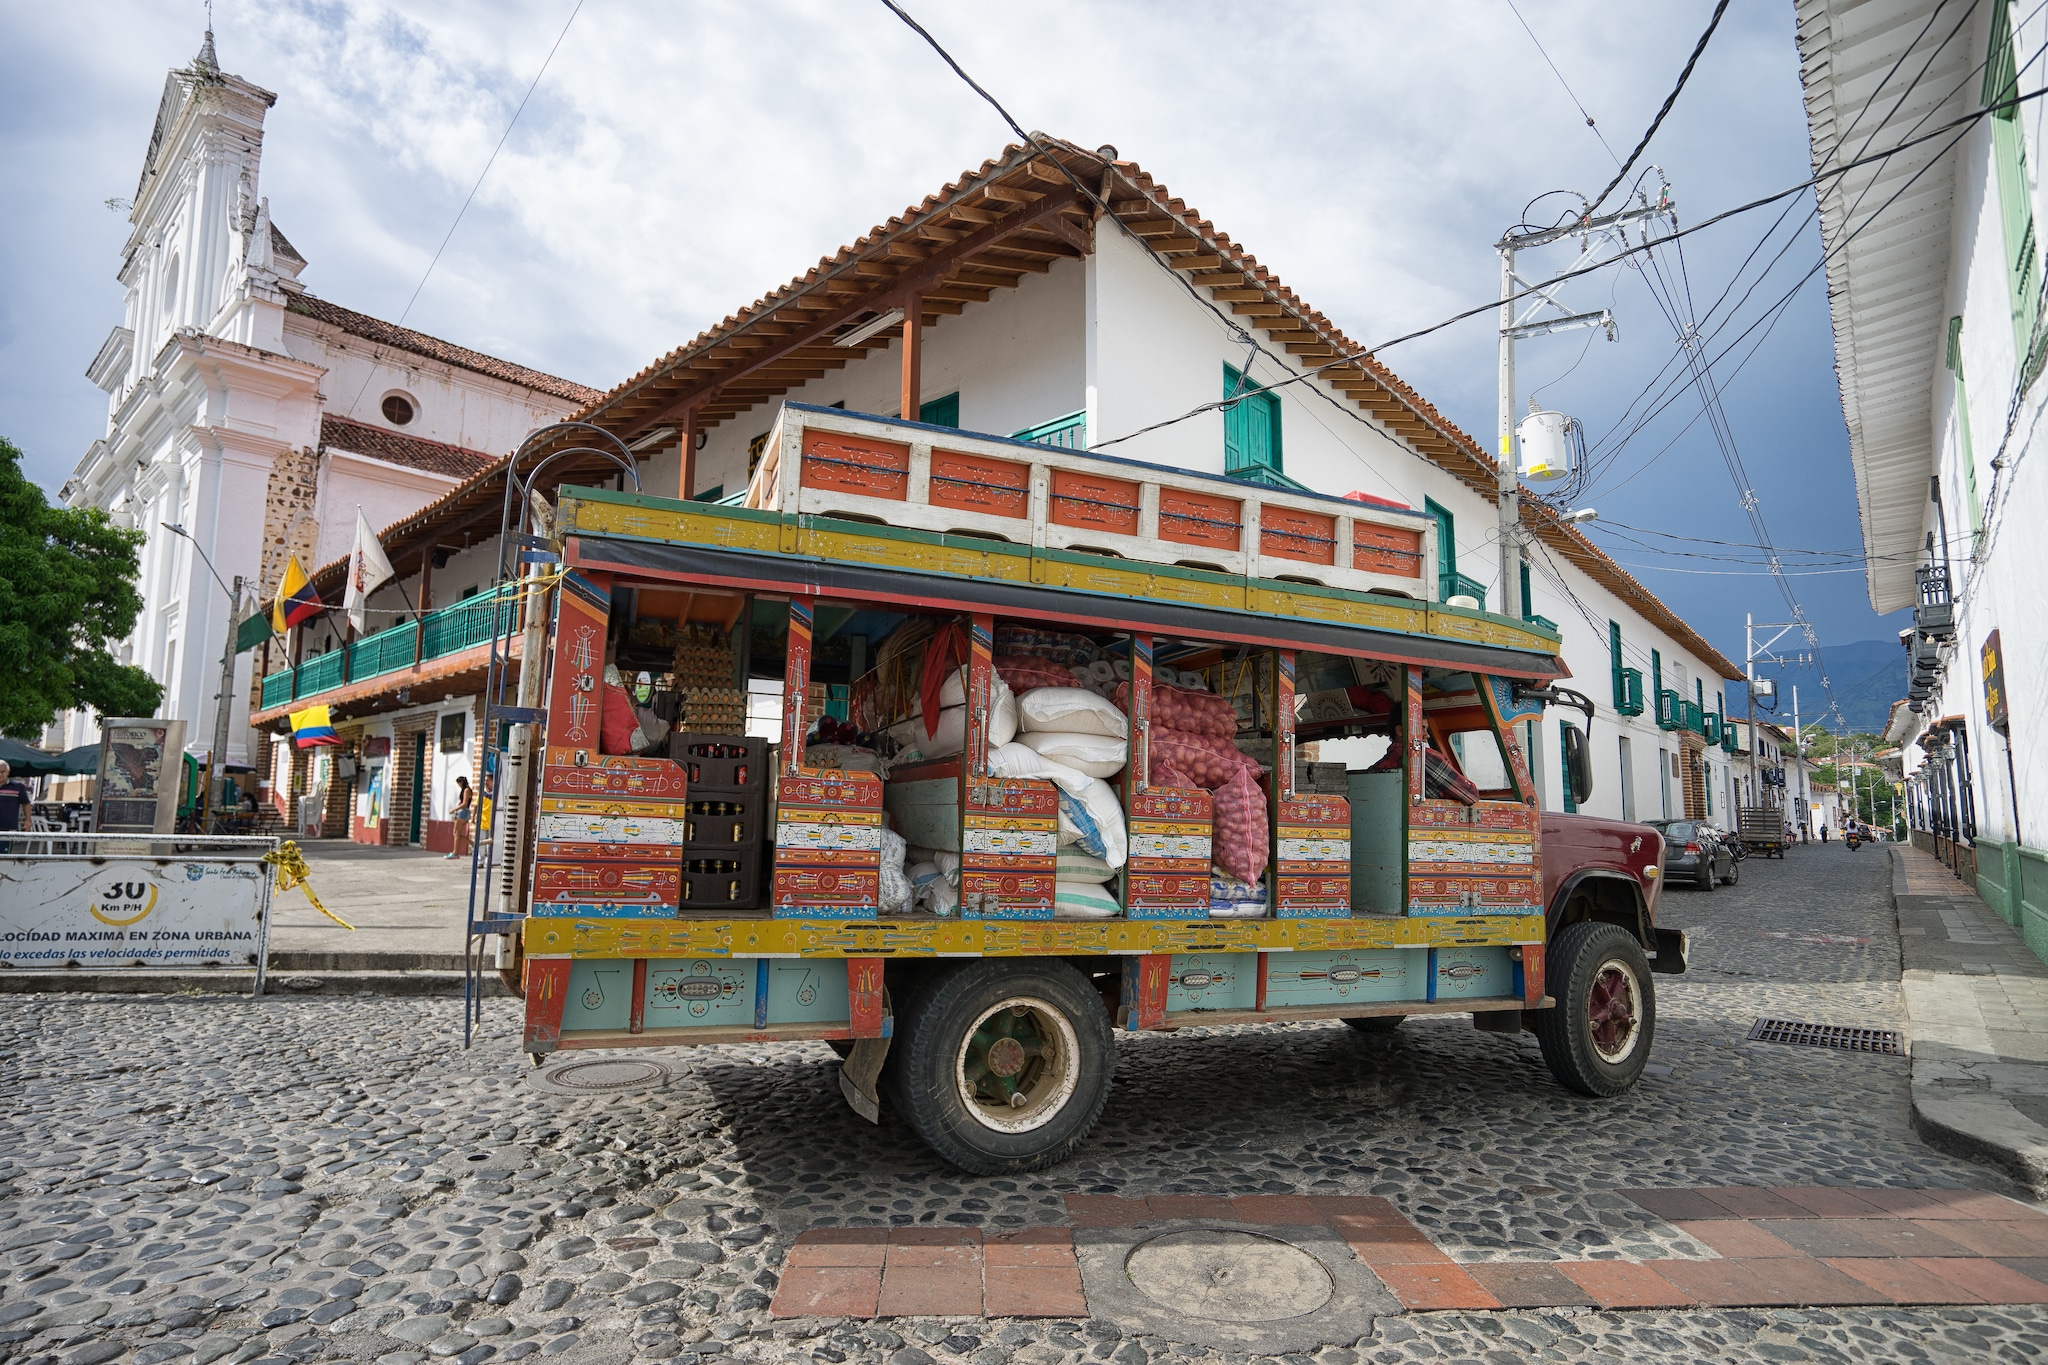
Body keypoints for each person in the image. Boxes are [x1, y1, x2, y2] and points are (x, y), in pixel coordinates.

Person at [0, 761, 28, 851]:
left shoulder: (17, 786)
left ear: (8, 772)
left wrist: (28, 820)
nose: (0, 774)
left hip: (7, 828)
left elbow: (26, 803)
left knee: (4, 857)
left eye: (2, 772)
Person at [444, 775, 474, 859]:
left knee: (457, 833)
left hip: (463, 812)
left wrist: (454, 809)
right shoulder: (466, 790)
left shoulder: (467, 790)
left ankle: (455, 852)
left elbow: (464, 803)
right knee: (456, 833)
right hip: (462, 812)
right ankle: (472, 844)